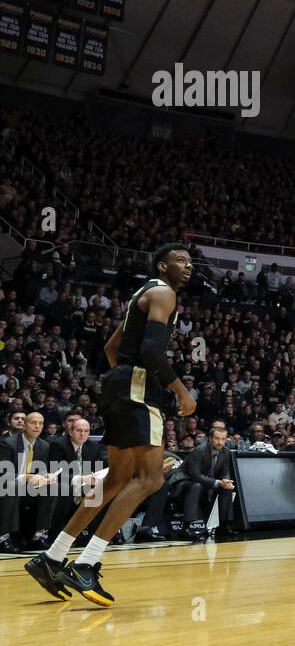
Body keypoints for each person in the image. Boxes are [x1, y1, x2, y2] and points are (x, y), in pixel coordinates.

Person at [26, 243, 196, 606]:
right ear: (161, 265)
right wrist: (182, 392)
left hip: (117, 385)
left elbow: (111, 346)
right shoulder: (164, 293)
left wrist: (121, 376)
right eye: (181, 260)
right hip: (137, 388)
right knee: (150, 478)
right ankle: (87, 562)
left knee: (117, 478)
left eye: (191, 261)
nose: (189, 266)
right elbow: (150, 352)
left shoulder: (144, 293)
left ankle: (53, 557)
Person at [0, 412, 56, 552]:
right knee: (11, 487)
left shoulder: (44, 445)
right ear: (24, 425)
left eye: (41, 423)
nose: (37, 426)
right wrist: (27, 477)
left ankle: (38, 536)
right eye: (33, 423)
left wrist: (47, 476)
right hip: (7, 485)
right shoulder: (7, 443)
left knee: (52, 487)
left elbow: (40, 471)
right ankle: (3, 538)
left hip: (28, 488)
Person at [176, 424, 236, 540]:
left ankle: (223, 525)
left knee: (227, 488)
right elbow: (196, 475)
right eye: (217, 438)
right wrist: (218, 483)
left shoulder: (226, 452)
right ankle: (187, 527)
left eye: (223, 439)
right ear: (210, 439)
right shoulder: (199, 451)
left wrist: (226, 481)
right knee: (197, 486)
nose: (220, 442)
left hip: (205, 482)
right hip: (184, 482)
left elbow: (225, 472)